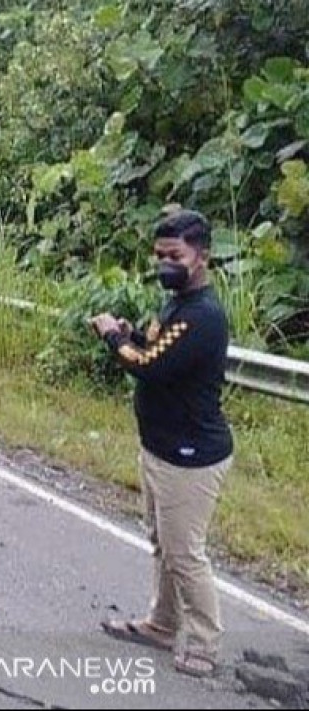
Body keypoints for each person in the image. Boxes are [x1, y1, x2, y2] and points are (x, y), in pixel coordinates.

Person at [93, 210, 234, 680]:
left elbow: (149, 365)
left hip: (190, 457)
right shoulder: (175, 305)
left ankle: (205, 643)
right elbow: (155, 348)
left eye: (175, 256)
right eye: (160, 256)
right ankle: (161, 623)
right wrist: (130, 333)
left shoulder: (202, 316)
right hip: (160, 446)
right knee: (164, 544)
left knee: (185, 552)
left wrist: (115, 339)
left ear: (203, 256)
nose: (165, 264)